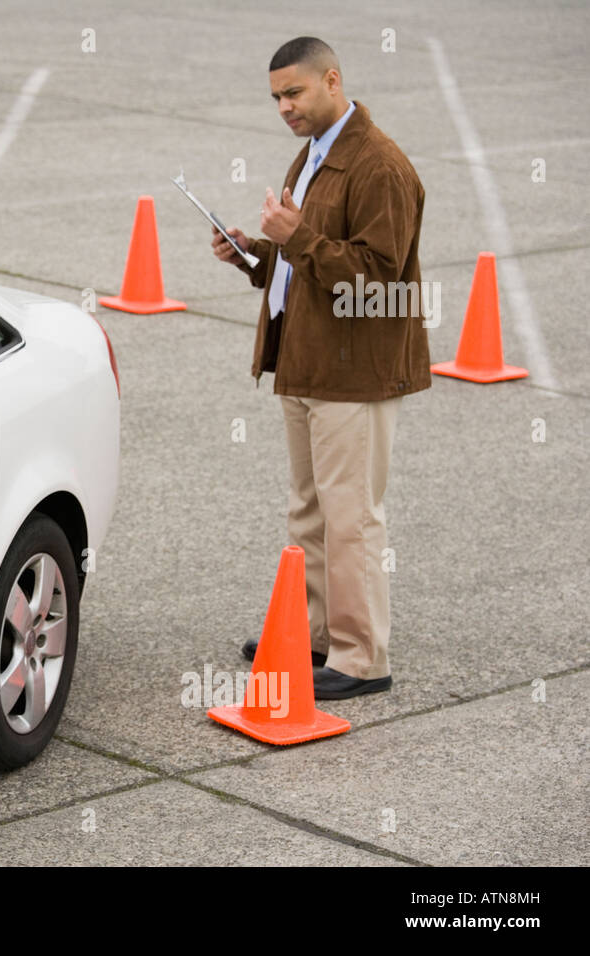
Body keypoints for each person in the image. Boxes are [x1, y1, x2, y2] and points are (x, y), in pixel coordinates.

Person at [211, 36, 431, 699]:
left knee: (352, 515)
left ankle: (362, 658)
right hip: (304, 364)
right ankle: (312, 635)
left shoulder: (380, 167)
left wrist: (294, 238)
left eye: (295, 92)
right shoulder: (310, 158)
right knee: (309, 512)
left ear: (333, 80)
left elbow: (375, 279)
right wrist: (252, 255)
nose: (284, 107)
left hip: (354, 372)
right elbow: (303, 268)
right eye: (276, 97)